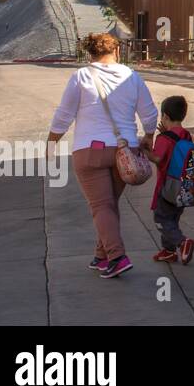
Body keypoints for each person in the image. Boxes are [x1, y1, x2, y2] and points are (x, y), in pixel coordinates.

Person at [48, 33, 158, 279]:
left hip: (90, 152)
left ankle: (117, 257)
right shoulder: (132, 77)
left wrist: (51, 142)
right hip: (125, 152)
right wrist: (148, 137)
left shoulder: (81, 77)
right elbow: (150, 113)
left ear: (90, 54)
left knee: (101, 206)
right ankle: (101, 256)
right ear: (116, 52)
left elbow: (63, 115)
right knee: (107, 205)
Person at [143, 95, 194, 265]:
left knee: (161, 219)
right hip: (184, 187)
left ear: (165, 116)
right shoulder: (186, 134)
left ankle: (182, 242)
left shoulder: (164, 138)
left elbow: (158, 159)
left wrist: (144, 151)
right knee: (171, 219)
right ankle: (168, 251)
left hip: (167, 187)